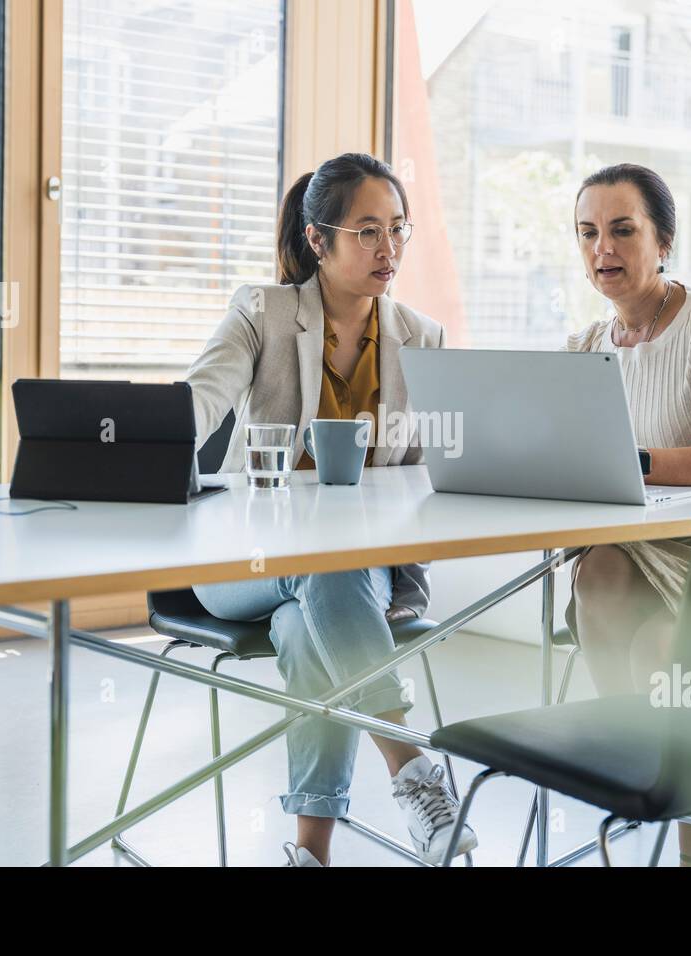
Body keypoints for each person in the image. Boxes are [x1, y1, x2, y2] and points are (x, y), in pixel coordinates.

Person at [186, 152, 476, 867]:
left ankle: (308, 854)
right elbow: (198, 401)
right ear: (319, 240)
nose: (390, 249)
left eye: (399, 230)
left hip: (353, 575)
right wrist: (143, 435)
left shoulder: (422, 337)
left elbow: (439, 467)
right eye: (369, 231)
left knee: (306, 618)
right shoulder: (264, 312)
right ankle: (412, 772)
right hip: (241, 560)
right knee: (322, 575)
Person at [565, 162, 691, 866]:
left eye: (623, 230)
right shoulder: (585, 348)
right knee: (597, 574)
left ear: (664, 240)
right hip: (626, 549)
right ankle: (636, 765)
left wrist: (630, 457)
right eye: (588, 233)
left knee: (660, 649)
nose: (603, 250)